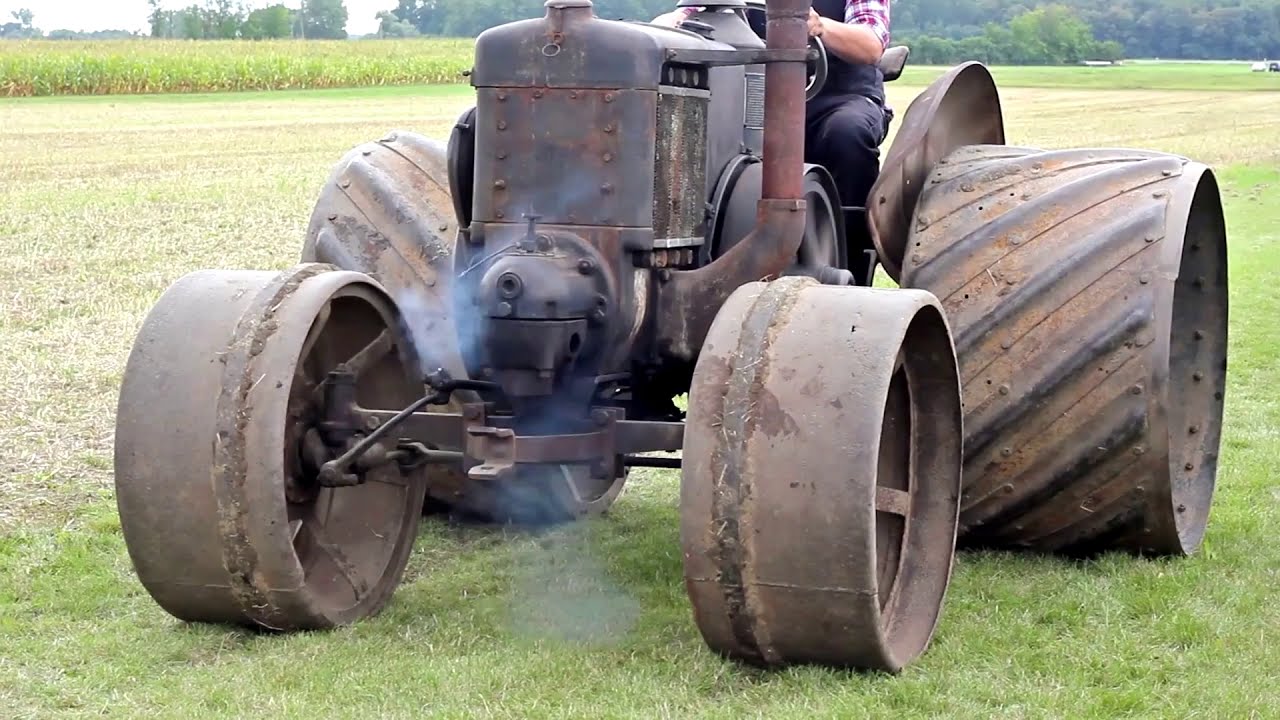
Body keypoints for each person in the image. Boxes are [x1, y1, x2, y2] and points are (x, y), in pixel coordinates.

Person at [651, 2, 892, 214]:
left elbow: (870, 44)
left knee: (847, 133)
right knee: (694, 132)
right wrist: (667, 24)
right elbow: (689, 12)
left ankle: (853, 249)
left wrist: (822, 27)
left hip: (841, 97)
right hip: (757, 98)